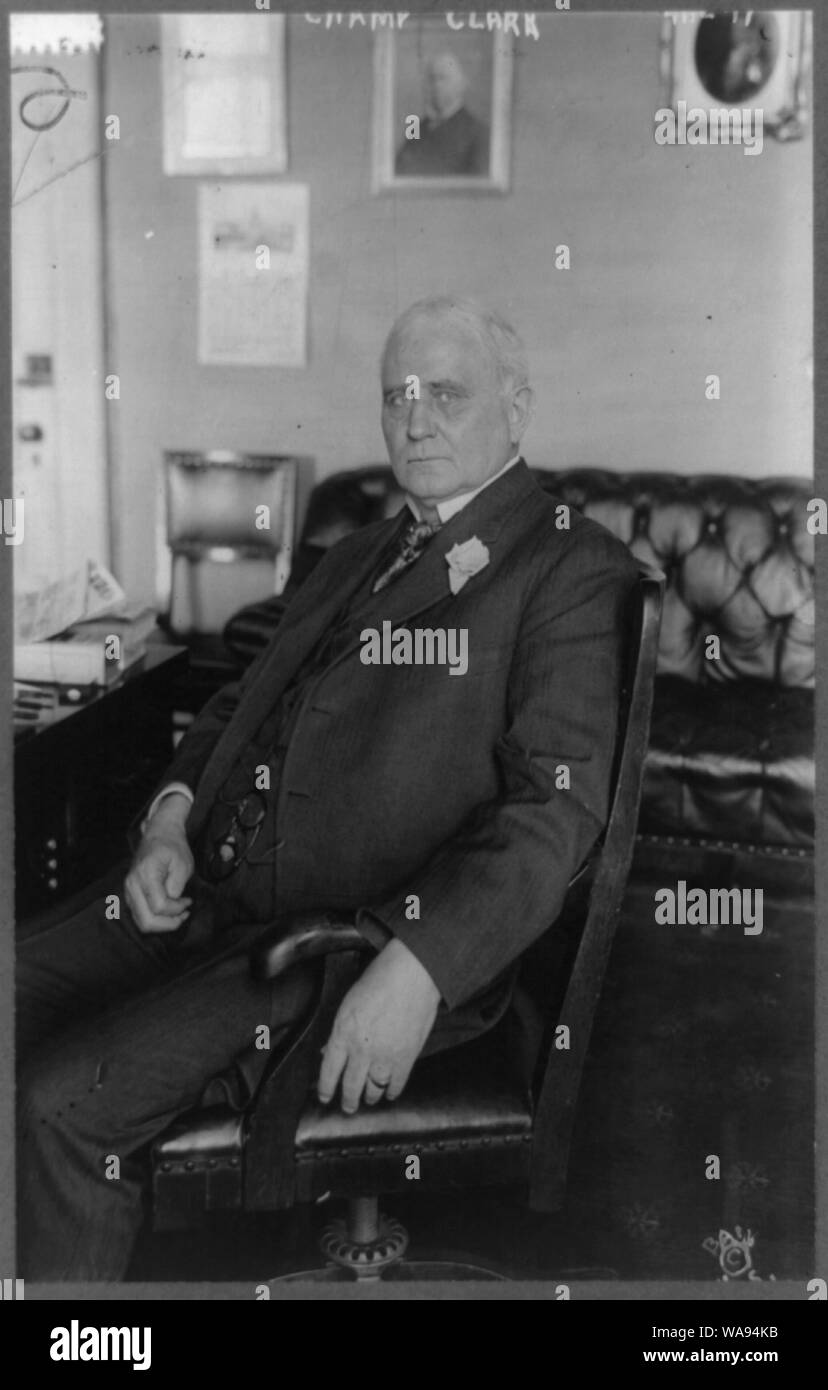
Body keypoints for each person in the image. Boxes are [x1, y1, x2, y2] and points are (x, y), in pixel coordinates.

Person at [16, 297, 637, 1280]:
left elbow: (553, 810)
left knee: (56, 1106)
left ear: (517, 411)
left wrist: (419, 963)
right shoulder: (360, 548)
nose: (416, 416)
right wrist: (168, 822)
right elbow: (237, 702)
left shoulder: (568, 565)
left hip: (342, 944)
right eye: (397, 395)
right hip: (206, 898)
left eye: (447, 393)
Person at [395, 53, 490, 177]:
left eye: (442, 78)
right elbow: (399, 170)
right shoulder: (415, 127)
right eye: (432, 79)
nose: (436, 86)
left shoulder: (477, 132)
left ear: (460, 85)